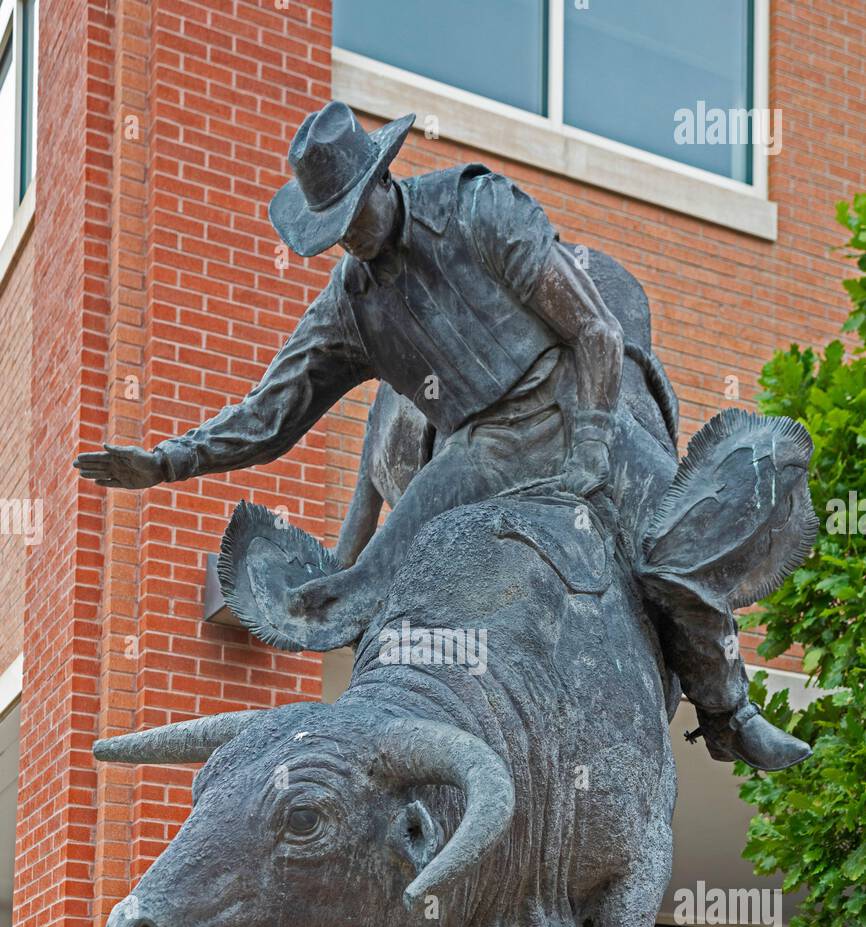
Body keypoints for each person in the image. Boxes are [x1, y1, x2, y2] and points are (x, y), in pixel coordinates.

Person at [75, 101, 810, 772]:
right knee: (355, 590)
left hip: (578, 410)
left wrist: (590, 446)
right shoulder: (352, 305)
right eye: (334, 231)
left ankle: (729, 712)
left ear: (381, 182)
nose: (350, 240)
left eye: (353, 215)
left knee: (675, 556)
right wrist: (170, 461)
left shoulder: (478, 208)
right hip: (479, 451)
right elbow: (271, 415)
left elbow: (595, 329)